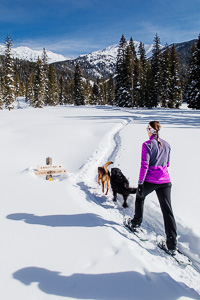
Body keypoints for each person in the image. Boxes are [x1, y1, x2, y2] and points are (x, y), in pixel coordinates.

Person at [127, 121, 177, 255]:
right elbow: (167, 163)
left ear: (150, 129)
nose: (146, 130)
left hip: (151, 180)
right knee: (167, 211)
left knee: (139, 196)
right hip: (166, 181)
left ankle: (135, 223)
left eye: (147, 128)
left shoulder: (147, 144)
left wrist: (140, 183)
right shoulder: (167, 144)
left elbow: (145, 165)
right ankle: (171, 245)